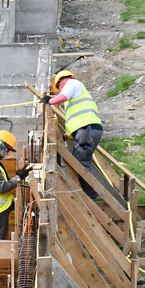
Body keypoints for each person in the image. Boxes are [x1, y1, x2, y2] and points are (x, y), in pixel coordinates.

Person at [47, 69, 104, 198]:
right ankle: (88, 192)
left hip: (87, 129)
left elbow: (63, 97)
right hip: (88, 130)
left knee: (82, 161)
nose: (60, 90)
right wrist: (67, 136)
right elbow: (77, 121)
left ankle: (90, 194)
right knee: (81, 158)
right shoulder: (75, 92)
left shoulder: (72, 84)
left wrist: (49, 101)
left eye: (59, 87)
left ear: (61, 82)